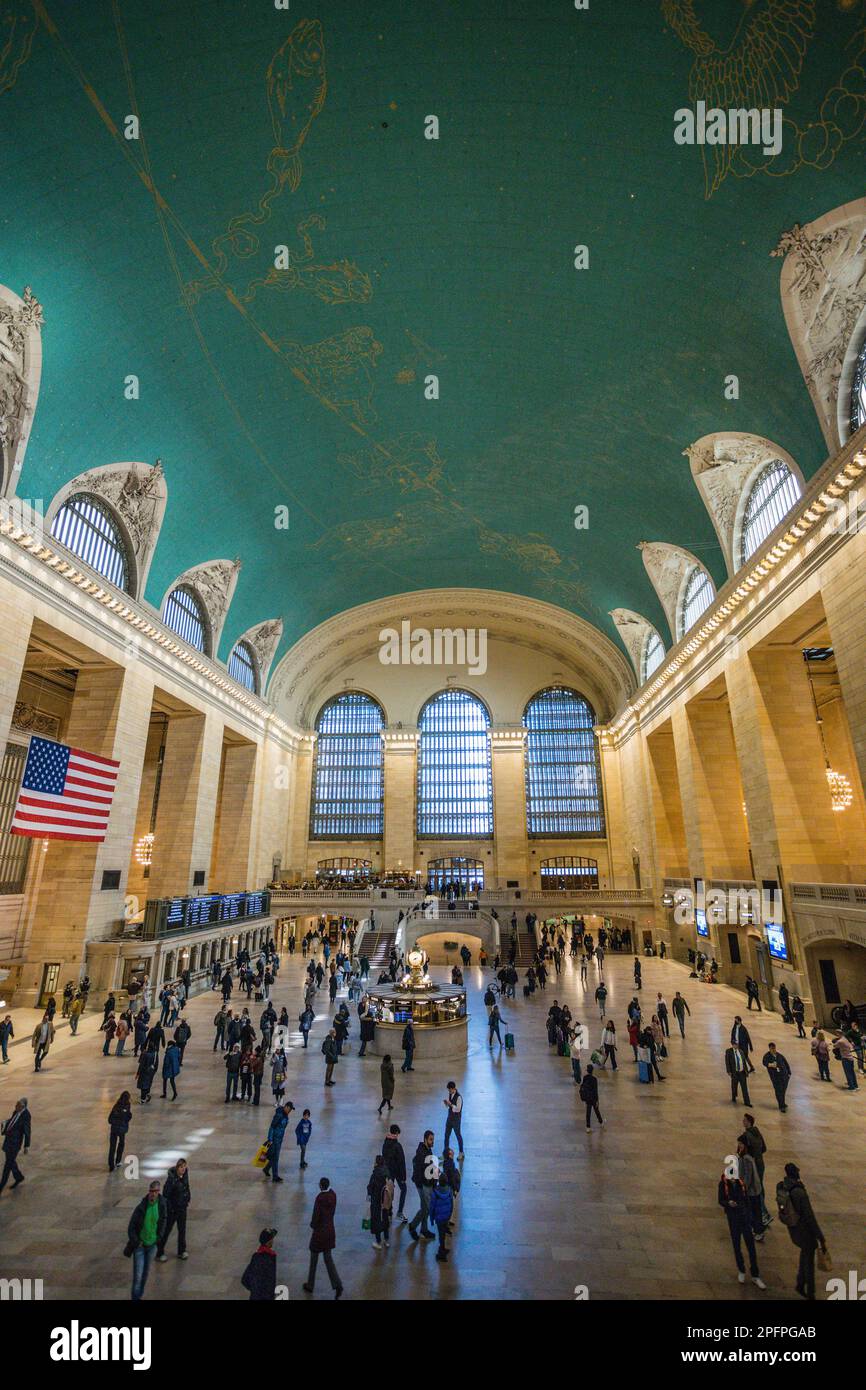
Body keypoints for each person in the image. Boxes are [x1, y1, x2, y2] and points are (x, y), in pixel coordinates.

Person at [776, 1163, 826, 1300]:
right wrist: (820, 1236)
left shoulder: (783, 1186)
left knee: (805, 1253)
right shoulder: (799, 1192)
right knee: (809, 1262)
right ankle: (811, 1292)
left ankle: (800, 1283)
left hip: (794, 1229)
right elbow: (810, 1216)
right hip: (804, 1230)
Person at [717, 1168, 766, 1289]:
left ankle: (755, 1274)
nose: (733, 1180)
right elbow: (721, 1200)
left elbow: (747, 1200)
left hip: (744, 1218)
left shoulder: (741, 1184)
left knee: (751, 1247)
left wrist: (750, 1217)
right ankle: (741, 1270)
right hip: (733, 1218)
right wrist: (728, 1203)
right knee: (736, 1245)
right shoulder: (723, 1184)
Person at [303, 1177, 343, 1298]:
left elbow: (316, 1216)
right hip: (330, 1230)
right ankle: (337, 1284)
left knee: (314, 1259)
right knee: (328, 1259)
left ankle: (310, 1285)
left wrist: (312, 1225)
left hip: (319, 1233)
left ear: (321, 1186)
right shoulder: (333, 1195)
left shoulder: (320, 1198)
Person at [127, 1181, 167, 1301]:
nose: (153, 1194)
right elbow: (131, 1227)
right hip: (140, 1246)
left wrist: (159, 1237)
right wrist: (136, 1241)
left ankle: (138, 1296)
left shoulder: (161, 1205)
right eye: (151, 1191)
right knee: (138, 1276)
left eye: (155, 1191)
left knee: (145, 1274)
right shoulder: (141, 1207)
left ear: (158, 1192)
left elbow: (163, 1221)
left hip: (152, 1245)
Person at [738, 1113, 771, 1230]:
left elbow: (743, 1151)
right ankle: (763, 1213)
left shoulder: (746, 1135)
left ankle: (763, 1214)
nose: (743, 1121)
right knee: (760, 1186)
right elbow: (764, 1148)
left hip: (753, 1164)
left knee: (754, 1188)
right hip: (760, 1162)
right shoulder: (757, 1132)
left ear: (749, 1122)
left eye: (745, 1120)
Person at [156, 1158, 190, 1262]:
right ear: (177, 1168)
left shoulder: (184, 1177)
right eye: (181, 1167)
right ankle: (159, 1252)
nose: (183, 1169)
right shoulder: (171, 1180)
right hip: (173, 1210)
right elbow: (166, 1195)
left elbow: (186, 1189)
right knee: (166, 1230)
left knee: (182, 1230)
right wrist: (170, 1208)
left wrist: (187, 1199)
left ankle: (181, 1251)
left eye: (184, 1166)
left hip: (182, 1208)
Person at [408, 1130, 436, 1240]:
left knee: (425, 1207)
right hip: (423, 1184)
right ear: (425, 1139)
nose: (432, 1142)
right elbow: (426, 1172)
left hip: (422, 1182)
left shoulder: (426, 1150)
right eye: (430, 1139)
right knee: (426, 1208)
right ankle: (413, 1226)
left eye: (433, 1139)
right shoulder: (423, 1154)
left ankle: (424, 1230)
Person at [0, 1097, 31, 1193]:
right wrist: (5, 1122)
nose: (15, 1106)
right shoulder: (16, 1111)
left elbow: (27, 1131)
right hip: (8, 1140)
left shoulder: (26, 1116)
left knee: (8, 1165)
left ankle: (1, 1186)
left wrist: (26, 1146)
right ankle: (19, 1177)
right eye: (16, 1105)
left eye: (18, 1105)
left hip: (15, 1143)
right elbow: (13, 1120)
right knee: (11, 1161)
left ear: (23, 1107)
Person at [241, 1227, 278, 1301]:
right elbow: (269, 1283)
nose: (273, 1241)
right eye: (272, 1239)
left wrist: (254, 1291)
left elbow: (245, 1279)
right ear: (269, 1242)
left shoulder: (256, 1256)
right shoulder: (269, 1259)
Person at [263, 1102, 294, 1182]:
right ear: (286, 1107)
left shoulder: (285, 1116)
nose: (290, 1111)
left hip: (279, 1139)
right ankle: (275, 1176)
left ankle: (266, 1169)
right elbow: (272, 1126)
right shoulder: (279, 1115)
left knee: (274, 1157)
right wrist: (270, 1139)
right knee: (275, 1158)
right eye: (289, 1109)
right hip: (274, 1139)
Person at [383, 1123, 408, 1221]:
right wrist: (403, 1177)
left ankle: (389, 1210)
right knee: (404, 1189)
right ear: (396, 1133)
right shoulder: (397, 1146)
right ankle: (400, 1212)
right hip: (397, 1172)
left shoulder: (385, 1143)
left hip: (388, 1172)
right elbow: (401, 1162)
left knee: (389, 1190)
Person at [367, 1153, 391, 1250]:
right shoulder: (387, 1172)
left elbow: (370, 1188)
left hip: (376, 1201)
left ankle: (378, 1242)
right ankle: (386, 1239)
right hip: (385, 1200)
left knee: (376, 1219)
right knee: (385, 1218)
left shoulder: (375, 1174)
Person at [429, 1171, 454, 1262]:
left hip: (439, 1217)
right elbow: (452, 1204)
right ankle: (443, 1248)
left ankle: (441, 1253)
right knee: (443, 1233)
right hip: (446, 1216)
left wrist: (431, 1218)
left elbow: (432, 1207)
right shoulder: (449, 1190)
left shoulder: (435, 1192)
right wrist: (450, 1214)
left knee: (441, 1234)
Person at [762, 1042, 791, 1111]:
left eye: (774, 1048)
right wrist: (771, 1065)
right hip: (775, 1077)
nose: (773, 1050)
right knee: (778, 1091)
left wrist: (789, 1073)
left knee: (783, 1090)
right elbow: (764, 1062)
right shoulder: (767, 1056)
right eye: (772, 1049)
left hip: (784, 1076)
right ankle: (781, 1106)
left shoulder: (779, 1055)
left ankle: (783, 1103)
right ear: (769, 1049)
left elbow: (786, 1063)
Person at [108, 1091, 132, 1172]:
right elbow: (128, 1116)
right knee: (121, 1144)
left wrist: (115, 1122)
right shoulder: (127, 1105)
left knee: (112, 1147)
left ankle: (111, 1165)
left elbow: (110, 1119)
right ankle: (118, 1161)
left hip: (114, 1129)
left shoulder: (116, 1106)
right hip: (122, 1129)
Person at [443, 1081, 464, 1156]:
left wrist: (450, 1104)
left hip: (456, 1120)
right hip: (449, 1118)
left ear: (453, 1088)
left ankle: (461, 1152)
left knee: (458, 1135)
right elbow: (450, 1107)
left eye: (449, 1090)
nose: (449, 1091)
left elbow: (458, 1109)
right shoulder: (450, 1094)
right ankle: (445, 1153)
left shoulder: (459, 1097)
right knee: (446, 1135)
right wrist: (447, 1104)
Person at [579, 1064, 603, 1132]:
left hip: (587, 1097)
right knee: (596, 1111)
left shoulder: (585, 1077)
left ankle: (588, 1127)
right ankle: (601, 1122)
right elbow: (596, 1090)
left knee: (588, 1112)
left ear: (587, 1071)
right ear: (592, 1071)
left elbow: (582, 1086)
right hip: (593, 1098)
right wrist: (597, 1100)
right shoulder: (594, 1079)